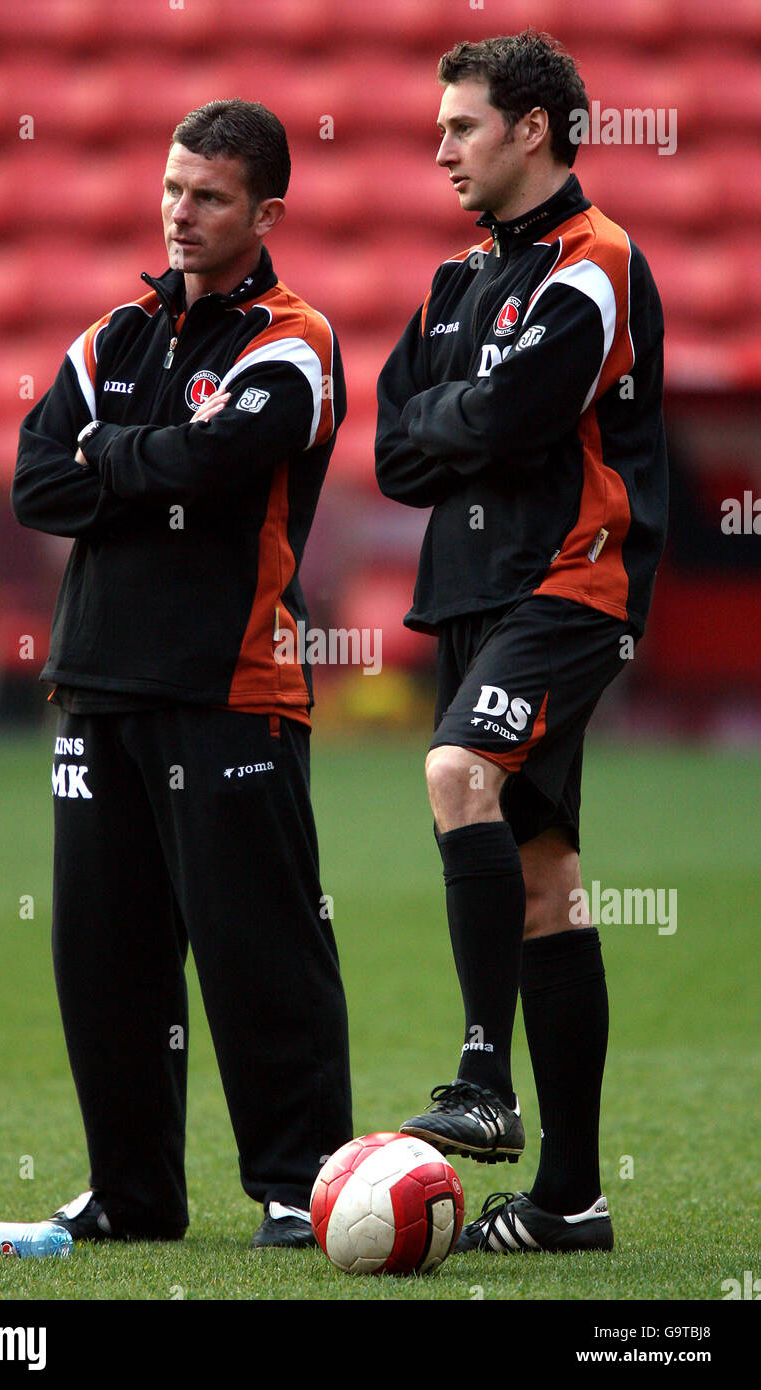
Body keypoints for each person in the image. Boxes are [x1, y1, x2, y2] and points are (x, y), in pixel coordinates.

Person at [10, 99, 352, 1250]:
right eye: (171, 189)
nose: (179, 213)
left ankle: (299, 1186)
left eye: (206, 196)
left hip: (230, 687)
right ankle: (133, 1196)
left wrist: (109, 456)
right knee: (102, 958)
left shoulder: (296, 339)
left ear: (265, 212)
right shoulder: (111, 335)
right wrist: (138, 468)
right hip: (97, 683)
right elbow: (34, 484)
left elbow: (218, 462)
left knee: (259, 948)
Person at [375, 32, 667, 1254]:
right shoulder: (455, 283)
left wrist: (462, 418)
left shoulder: (593, 264)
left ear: (532, 129)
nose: (439, 146)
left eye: (461, 125)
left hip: (569, 584)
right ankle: (569, 1200)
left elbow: (517, 410)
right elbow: (395, 453)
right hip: (469, 595)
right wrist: (463, 420)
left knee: (454, 774)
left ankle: (481, 1072)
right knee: (544, 882)